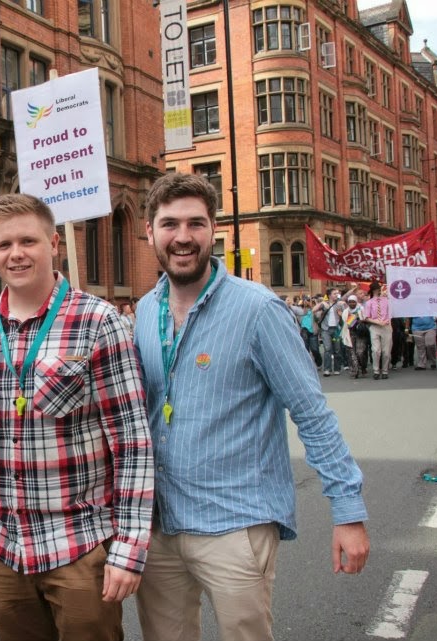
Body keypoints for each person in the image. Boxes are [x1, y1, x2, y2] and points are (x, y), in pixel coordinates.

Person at [132, 173, 369, 641]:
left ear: (213, 229)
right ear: (150, 232)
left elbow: (312, 413)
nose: (183, 237)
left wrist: (349, 513)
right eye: (170, 224)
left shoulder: (258, 309)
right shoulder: (143, 310)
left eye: (195, 224)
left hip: (234, 525)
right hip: (158, 529)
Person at [0, 193, 154, 641]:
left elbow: (132, 440)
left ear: (54, 243)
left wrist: (128, 545)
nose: (16, 254)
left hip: (79, 546)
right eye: (4, 245)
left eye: (28, 240)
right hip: (1, 548)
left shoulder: (99, 321)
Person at [362, 281, 392, 380]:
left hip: (386, 326)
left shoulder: (387, 300)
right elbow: (366, 317)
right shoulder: (369, 302)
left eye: (379, 289)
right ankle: (376, 370)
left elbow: (390, 314)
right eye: (376, 289)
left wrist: (386, 321)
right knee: (376, 350)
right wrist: (377, 322)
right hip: (375, 326)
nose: (378, 291)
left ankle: (385, 370)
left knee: (386, 351)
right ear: (373, 290)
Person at [314, 287, 346, 376]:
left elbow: (348, 316)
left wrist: (341, 313)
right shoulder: (324, 304)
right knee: (327, 349)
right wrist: (322, 303)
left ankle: (337, 368)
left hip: (336, 329)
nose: (336, 295)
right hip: (326, 330)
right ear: (329, 295)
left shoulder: (339, 304)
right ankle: (327, 369)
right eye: (334, 293)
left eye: (337, 293)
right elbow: (313, 310)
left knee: (337, 349)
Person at [341, 295, 369, 379]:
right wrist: (352, 318)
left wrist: (359, 318)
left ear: (356, 302)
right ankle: (355, 371)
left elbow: (365, 318)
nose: (352, 303)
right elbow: (346, 322)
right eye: (350, 302)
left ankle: (363, 367)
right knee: (352, 353)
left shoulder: (361, 309)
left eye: (353, 302)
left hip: (361, 333)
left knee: (360, 353)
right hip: (350, 333)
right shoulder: (346, 311)